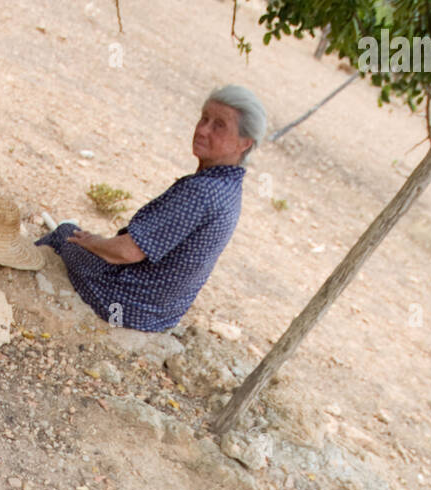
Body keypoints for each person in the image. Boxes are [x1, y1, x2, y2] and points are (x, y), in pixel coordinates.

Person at [35, 84, 267, 333]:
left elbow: (127, 253)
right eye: (204, 119)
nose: (202, 130)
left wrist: (91, 242)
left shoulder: (203, 192)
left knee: (65, 233)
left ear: (244, 144)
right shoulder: (228, 188)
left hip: (128, 302)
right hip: (162, 312)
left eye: (218, 125)